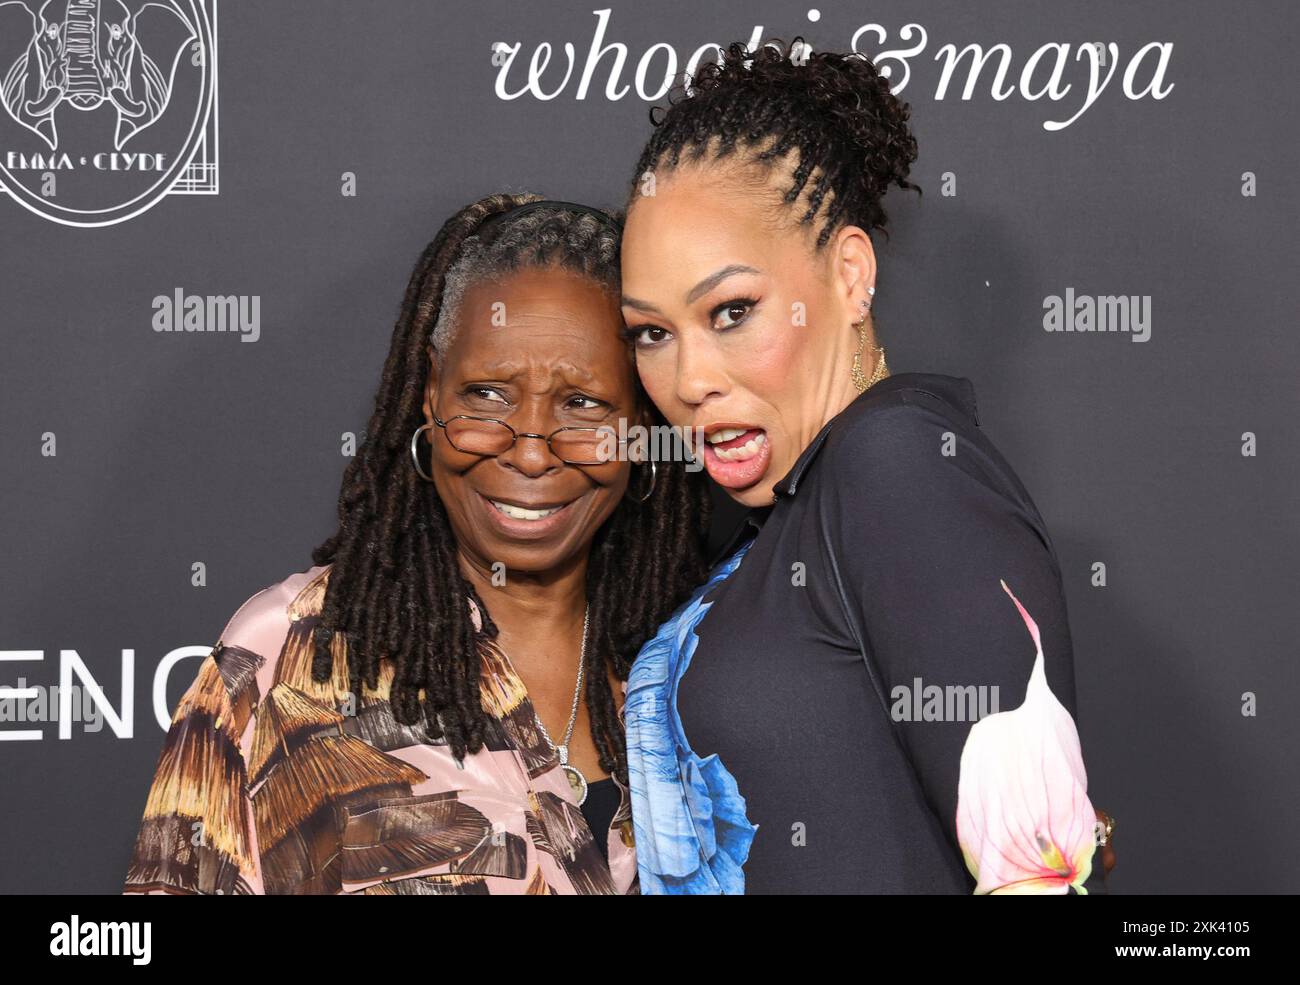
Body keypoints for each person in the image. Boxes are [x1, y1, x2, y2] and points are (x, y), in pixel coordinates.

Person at [618, 39, 1116, 894]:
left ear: (849, 276)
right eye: (652, 332)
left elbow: (1042, 878)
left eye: (733, 310)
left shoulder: (898, 462)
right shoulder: (795, 513)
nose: (689, 379)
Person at [122, 194, 710, 895]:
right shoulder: (286, 655)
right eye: (488, 394)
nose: (528, 453)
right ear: (431, 397)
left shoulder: (705, 662)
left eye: (582, 404)